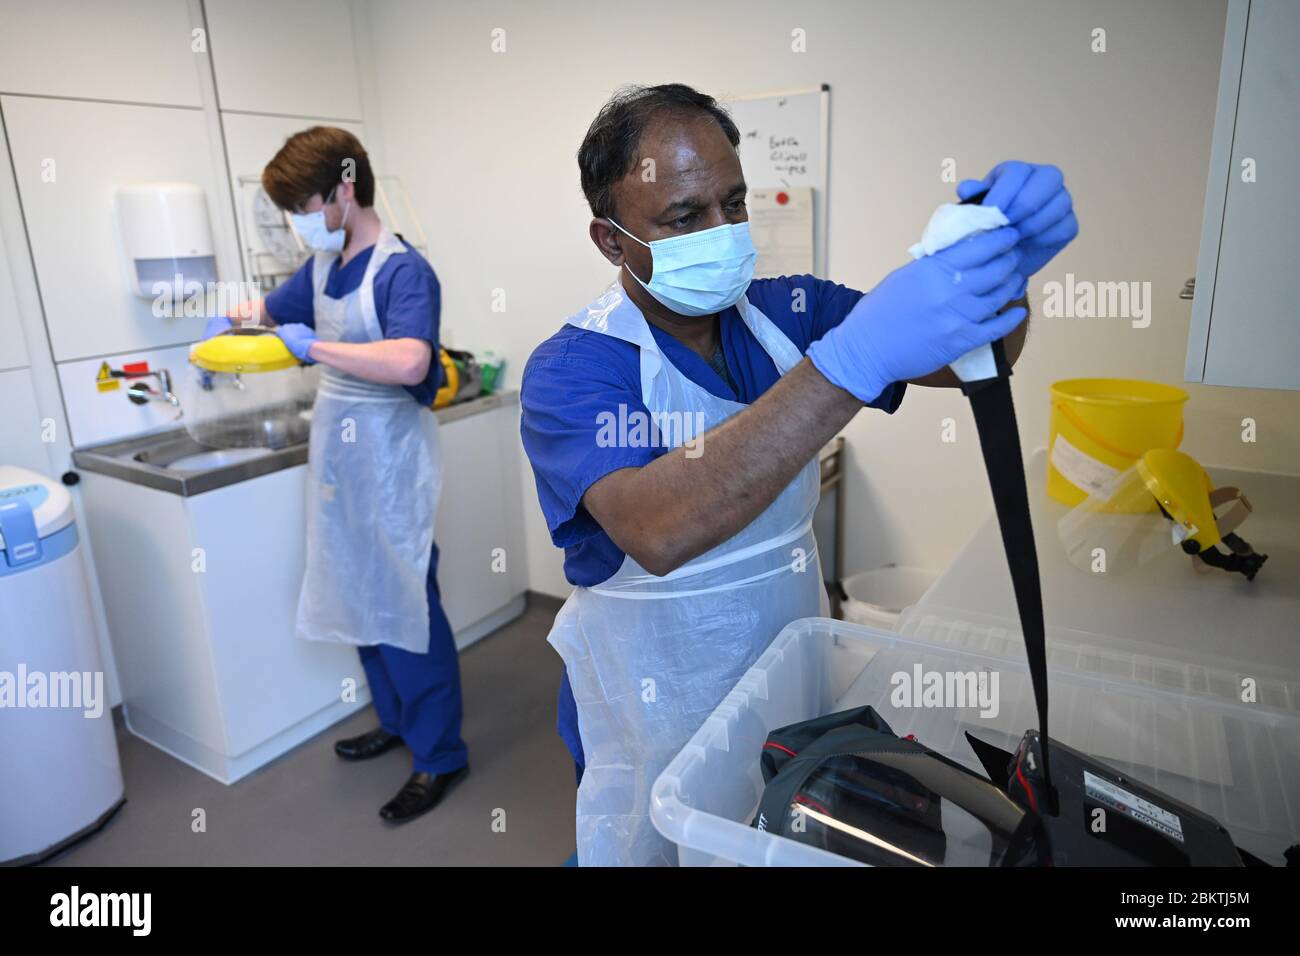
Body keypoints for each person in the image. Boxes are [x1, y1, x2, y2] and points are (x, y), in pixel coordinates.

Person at [520, 84, 1076, 865]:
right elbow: (656, 527)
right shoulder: (574, 369)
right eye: (685, 217)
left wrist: (1004, 273)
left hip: (786, 658)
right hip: (657, 691)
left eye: (733, 203)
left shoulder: (790, 310)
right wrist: (847, 365)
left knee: (777, 827)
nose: (722, 231)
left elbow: (978, 359)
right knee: (658, 839)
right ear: (611, 242)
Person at [205, 127, 469, 822]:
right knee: (356, 592)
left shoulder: (402, 270)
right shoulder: (321, 269)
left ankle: (440, 753)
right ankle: (397, 720)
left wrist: (314, 346)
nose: (297, 223)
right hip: (339, 463)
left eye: (302, 207)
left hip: (388, 459)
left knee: (407, 605)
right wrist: (216, 317)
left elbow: (413, 361)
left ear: (345, 191)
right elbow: (264, 311)